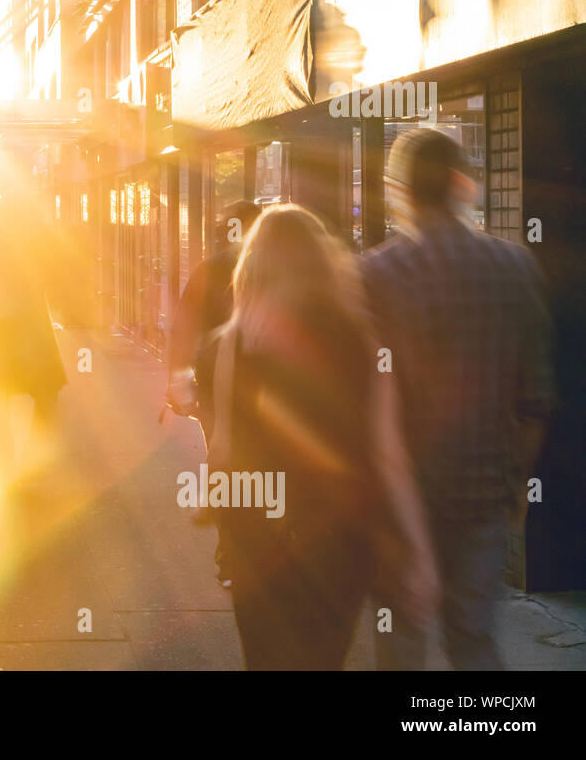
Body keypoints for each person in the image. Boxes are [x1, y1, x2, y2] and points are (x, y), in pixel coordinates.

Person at [363, 128, 556, 670]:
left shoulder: (376, 274)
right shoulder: (517, 269)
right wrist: (516, 487)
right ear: (461, 185)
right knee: (474, 642)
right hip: (483, 502)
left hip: (401, 510)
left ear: (398, 191)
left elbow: (369, 410)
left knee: (401, 645)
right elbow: (535, 402)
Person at [196, 204, 381, 669]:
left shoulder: (226, 346)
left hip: (254, 529)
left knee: (264, 659)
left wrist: (223, 522)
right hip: (336, 532)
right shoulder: (357, 339)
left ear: (251, 267)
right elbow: (380, 447)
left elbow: (220, 448)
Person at [165, 200, 262, 588]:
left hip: (213, 388)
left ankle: (230, 558)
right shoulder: (273, 271)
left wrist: (178, 380)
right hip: (265, 391)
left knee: (223, 462)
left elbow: (184, 329)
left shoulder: (210, 268)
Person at [0, 192, 66, 492]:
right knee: (46, 397)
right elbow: (61, 285)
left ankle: (7, 470)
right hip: (34, 334)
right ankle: (31, 464)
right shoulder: (41, 249)